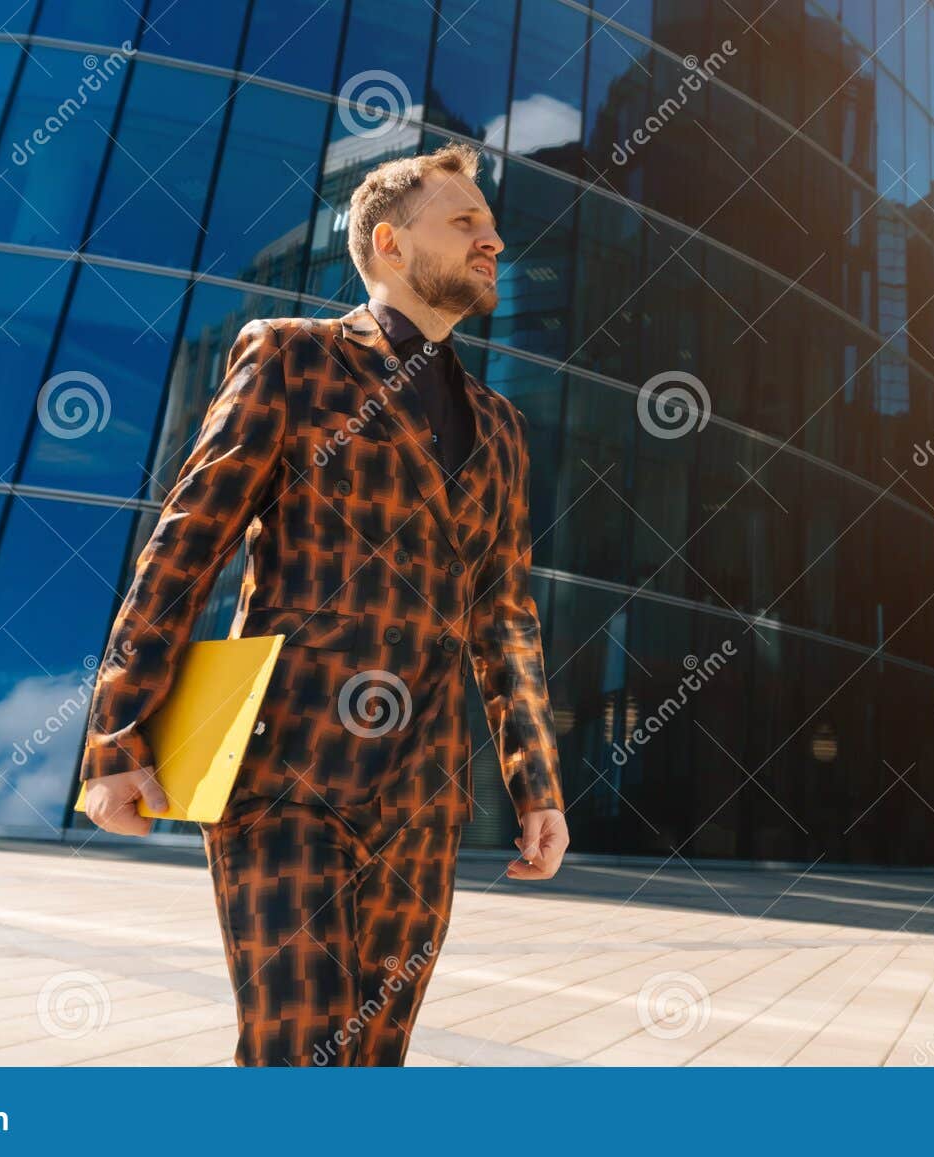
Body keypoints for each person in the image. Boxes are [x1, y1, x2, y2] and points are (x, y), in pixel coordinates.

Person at [77, 142, 569, 1066]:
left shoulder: (502, 428)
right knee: (295, 1050)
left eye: (492, 227)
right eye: (465, 222)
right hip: (283, 776)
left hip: (422, 798)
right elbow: (184, 548)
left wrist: (536, 784)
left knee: (375, 1060)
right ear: (387, 243)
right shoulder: (292, 360)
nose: (492, 239)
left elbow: (506, 618)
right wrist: (116, 741)